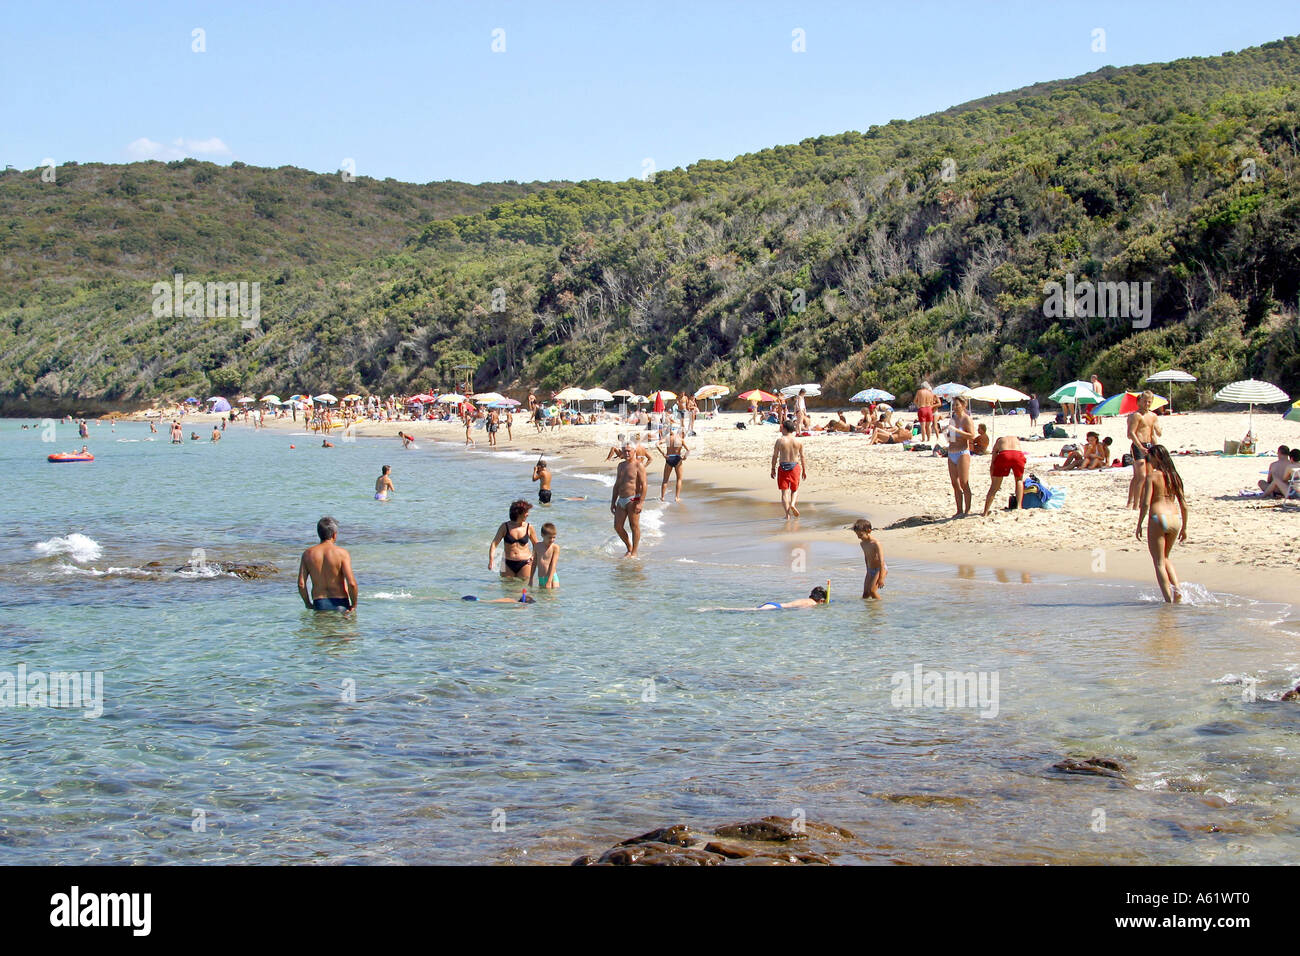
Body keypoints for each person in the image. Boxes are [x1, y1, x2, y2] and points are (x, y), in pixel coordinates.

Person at [1136, 444, 1188, 603]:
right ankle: (1177, 591)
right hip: (1175, 518)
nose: (1148, 461)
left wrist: (1139, 524)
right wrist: (1184, 527)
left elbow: (1145, 503)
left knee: (1158, 562)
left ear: (1156, 457)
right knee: (1166, 558)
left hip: (1158, 517)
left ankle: (1168, 601)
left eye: (1149, 457)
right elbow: (1184, 505)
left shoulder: (1152, 477)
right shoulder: (1175, 476)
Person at [297, 516, 358, 612]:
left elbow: (301, 584)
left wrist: (307, 603)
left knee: (322, 627)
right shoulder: (342, 553)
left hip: (319, 603)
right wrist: (354, 604)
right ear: (334, 535)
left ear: (319, 534)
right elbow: (352, 583)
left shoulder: (308, 554)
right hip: (340, 603)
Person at [1126, 390, 1162, 509]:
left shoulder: (1153, 416)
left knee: (1147, 476)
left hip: (1149, 445)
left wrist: (1156, 449)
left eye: (1149, 402)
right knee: (1140, 476)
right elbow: (1130, 433)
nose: (1147, 404)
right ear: (1140, 402)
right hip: (1138, 445)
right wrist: (1140, 447)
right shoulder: (1136, 415)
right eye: (1145, 401)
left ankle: (1142, 502)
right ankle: (1134, 504)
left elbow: (1154, 434)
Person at [611, 444, 647, 557]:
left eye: (629, 451)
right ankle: (629, 547)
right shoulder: (620, 465)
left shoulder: (638, 465)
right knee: (617, 526)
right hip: (621, 499)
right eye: (624, 451)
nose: (626, 453)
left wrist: (640, 502)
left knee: (634, 525)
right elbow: (617, 484)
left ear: (634, 451)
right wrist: (613, 501)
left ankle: (634, 552)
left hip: (633, 499)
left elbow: (644, 485)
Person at [945, 396, 977, 516]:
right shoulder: (953, 419)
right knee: (955, 483)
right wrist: (946, 433)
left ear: (963, 405)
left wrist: (957, 431)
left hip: (962, 452)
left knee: (964, 482)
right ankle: (959, 510)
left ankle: (967, 510)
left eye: (957, 405)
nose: (955, 407)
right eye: (954, 405)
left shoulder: (966, 419)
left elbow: (972, 435)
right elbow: (950, 438)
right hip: (951, 452)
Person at [490, 499, 538, 579]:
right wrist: (491, 560)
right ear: (519, 513)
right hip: (507, 562)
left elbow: (536, 545)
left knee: (524, 588)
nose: (528, 514)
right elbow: (494, 544)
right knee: (506, 588)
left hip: (525, 563)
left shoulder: (529, 527)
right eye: (526, 512)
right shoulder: (504, 527)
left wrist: (534, 556)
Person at [770, 419, 808, 519]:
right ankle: (793, 504)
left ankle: (787, 515)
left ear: (786, 429)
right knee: (794, 490)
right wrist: (804, 470)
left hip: (783, 467)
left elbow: (775, 456)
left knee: (784, 492)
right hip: (795, 466)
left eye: (782, 428)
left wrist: (772, 469)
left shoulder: (780, 440)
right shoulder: (799, 441)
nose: (781, 430)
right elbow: (802, 456)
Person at [983, 434, 1027, 514]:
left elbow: (993, 463)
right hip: (1018, 455)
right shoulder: (1015, 439)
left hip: (1004, 455)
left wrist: (992, 478)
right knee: (1019, 480)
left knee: (994, 487)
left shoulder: (998, 441)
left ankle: (985, 511)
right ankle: (1019, 506)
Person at [852, 519, 886, 599]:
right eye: (857, 535)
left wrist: (881, 578)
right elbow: (866, 557)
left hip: (880, 569)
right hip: (870, 570)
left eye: (860, 535)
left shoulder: (876, 543)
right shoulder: (862, 543)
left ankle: (879, 609)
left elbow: (881, 561)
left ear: (869, 531)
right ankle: (869, 610)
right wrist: (868, 571)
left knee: (872, 591)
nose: (859, 537)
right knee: (865, 595)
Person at [657, 427, 689, 502]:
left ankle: (662, 497)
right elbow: (688, 450)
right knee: (679, 479)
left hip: (669, 458)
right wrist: (685, 457)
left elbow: (657, 444)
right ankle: (677, 497)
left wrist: (663, 453)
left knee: (665, 480)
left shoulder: (667, 438)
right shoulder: (681, 439)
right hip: (677, 458)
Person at [531, 522, 560, 589]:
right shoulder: (537, 546)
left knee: (551, 598)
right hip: (541, 578)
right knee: (542, 598)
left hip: (552, 578)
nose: (552, 540)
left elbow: (553, 565)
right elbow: (534, 563)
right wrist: (531, 579)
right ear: (542, 535)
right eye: (550, 538)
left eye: (554, 537)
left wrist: (549, 581)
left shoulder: (555, 548)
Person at [757, 586, 829, 610]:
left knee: (750, 609)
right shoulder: (811, 603)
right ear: (821, 600)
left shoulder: (807, 600)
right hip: (775, 607)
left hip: (775, 605)